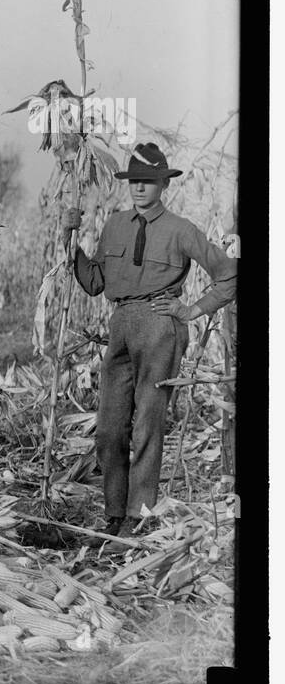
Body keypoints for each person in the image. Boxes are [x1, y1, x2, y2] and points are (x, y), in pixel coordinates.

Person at [61, 143, 236, 541]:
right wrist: (70, 238)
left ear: (163, 184)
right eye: (133, 181)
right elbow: (93, 283)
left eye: (148, 181)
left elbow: (229, 274)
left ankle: (138, 519)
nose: (139, 188)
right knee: (108, 428)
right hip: (120, 323)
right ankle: (114, 513)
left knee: (147, 425)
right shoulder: (115, 225)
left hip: (161, 326)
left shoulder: (181, 230)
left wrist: (192, 310)